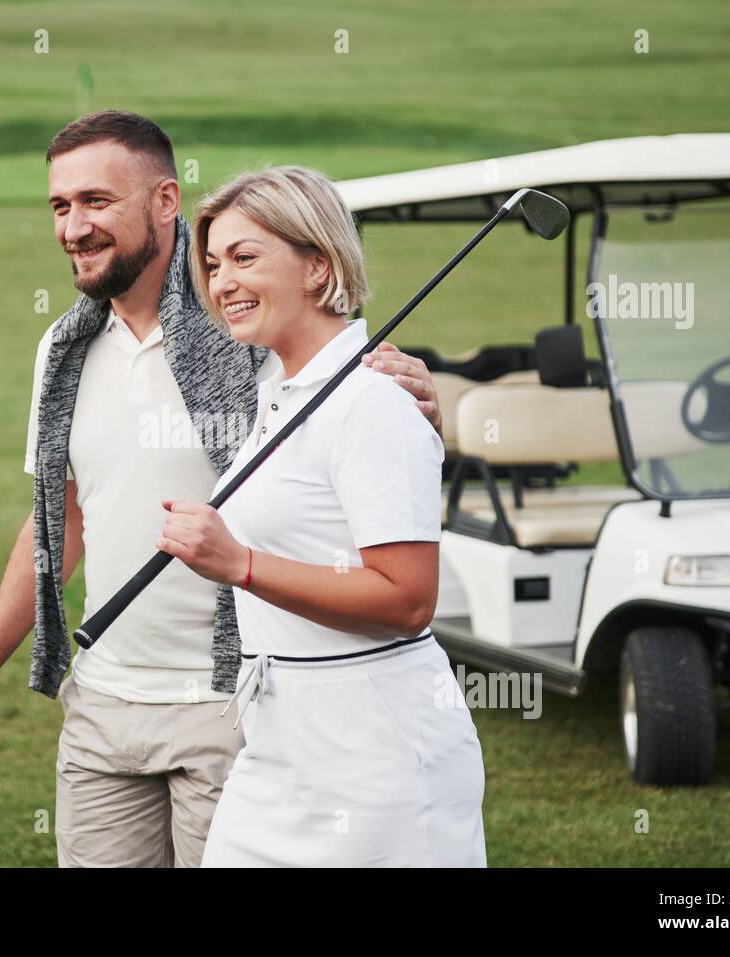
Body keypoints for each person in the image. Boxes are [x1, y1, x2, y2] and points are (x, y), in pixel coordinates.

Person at [0, 111, 446, 868]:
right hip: (103, 706)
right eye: (59, 206)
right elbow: (59, 520)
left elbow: (341, 397)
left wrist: (418, 396)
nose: (73, 227)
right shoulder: (62, 351)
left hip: (233, 704)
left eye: (96, 202)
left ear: (165, 201)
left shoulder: (252, 329)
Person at [156, 164, 486, 867]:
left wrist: (238, 564)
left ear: (317, 265)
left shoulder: (373, 402)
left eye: (246, 257)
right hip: (280, 744)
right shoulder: (277, 390)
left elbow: (407, 599)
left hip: (376, 756)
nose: (222, 283)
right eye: (213, 264)